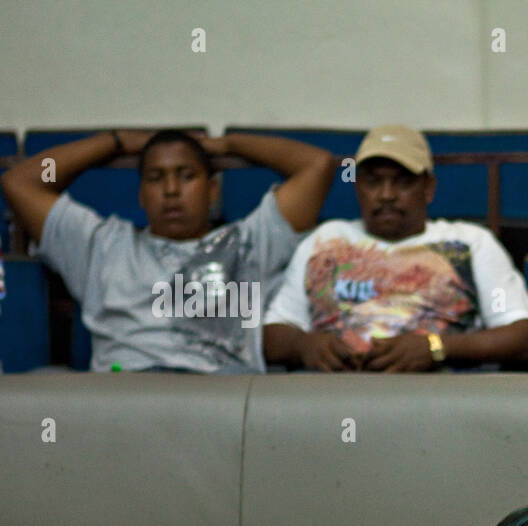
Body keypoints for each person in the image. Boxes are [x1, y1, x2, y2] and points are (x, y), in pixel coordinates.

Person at [0, 128, 335, 372]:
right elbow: (21, 181)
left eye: (186, 175)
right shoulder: (101, 244)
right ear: (141, 195)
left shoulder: (250, 241)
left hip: (221, 397)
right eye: (156, 178)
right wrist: (116, 142)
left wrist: (226, 144)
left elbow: (317, 165)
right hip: (127, 398)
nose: (172, 190)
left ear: (212, 190)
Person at [262, 125, 528, 372]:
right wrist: (304, 345)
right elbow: (273, 334)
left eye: (403, 181)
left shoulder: (470, 243)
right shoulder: (325, 240)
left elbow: (519, 337)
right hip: (333, 397)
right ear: (358, 186)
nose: (386, 195)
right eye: (373, 181)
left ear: (428, 188)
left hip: (436, 399)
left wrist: (435, 348)